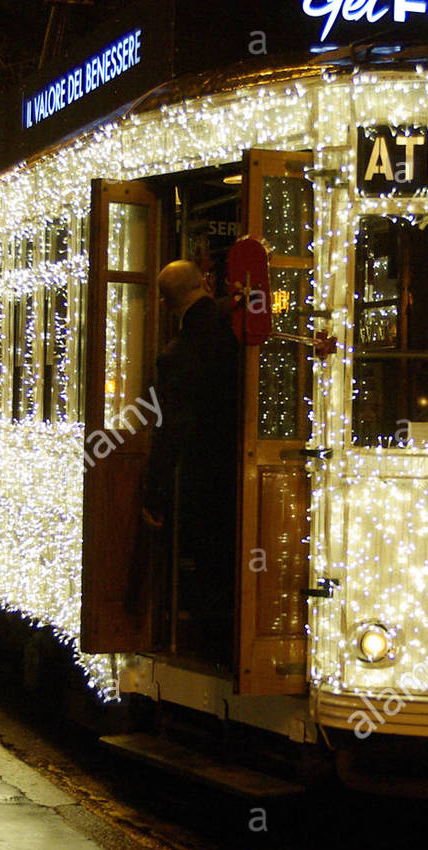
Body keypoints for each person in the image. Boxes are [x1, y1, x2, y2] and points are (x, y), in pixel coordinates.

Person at [142, 260, 241, 663]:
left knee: (207, 558)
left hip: (202, 472)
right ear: (206, 281)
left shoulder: (176, 354)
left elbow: (170, 428)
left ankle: (212, 644)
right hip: (243, 465)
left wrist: (155, 490)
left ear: (166, 303)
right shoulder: (237, 326)